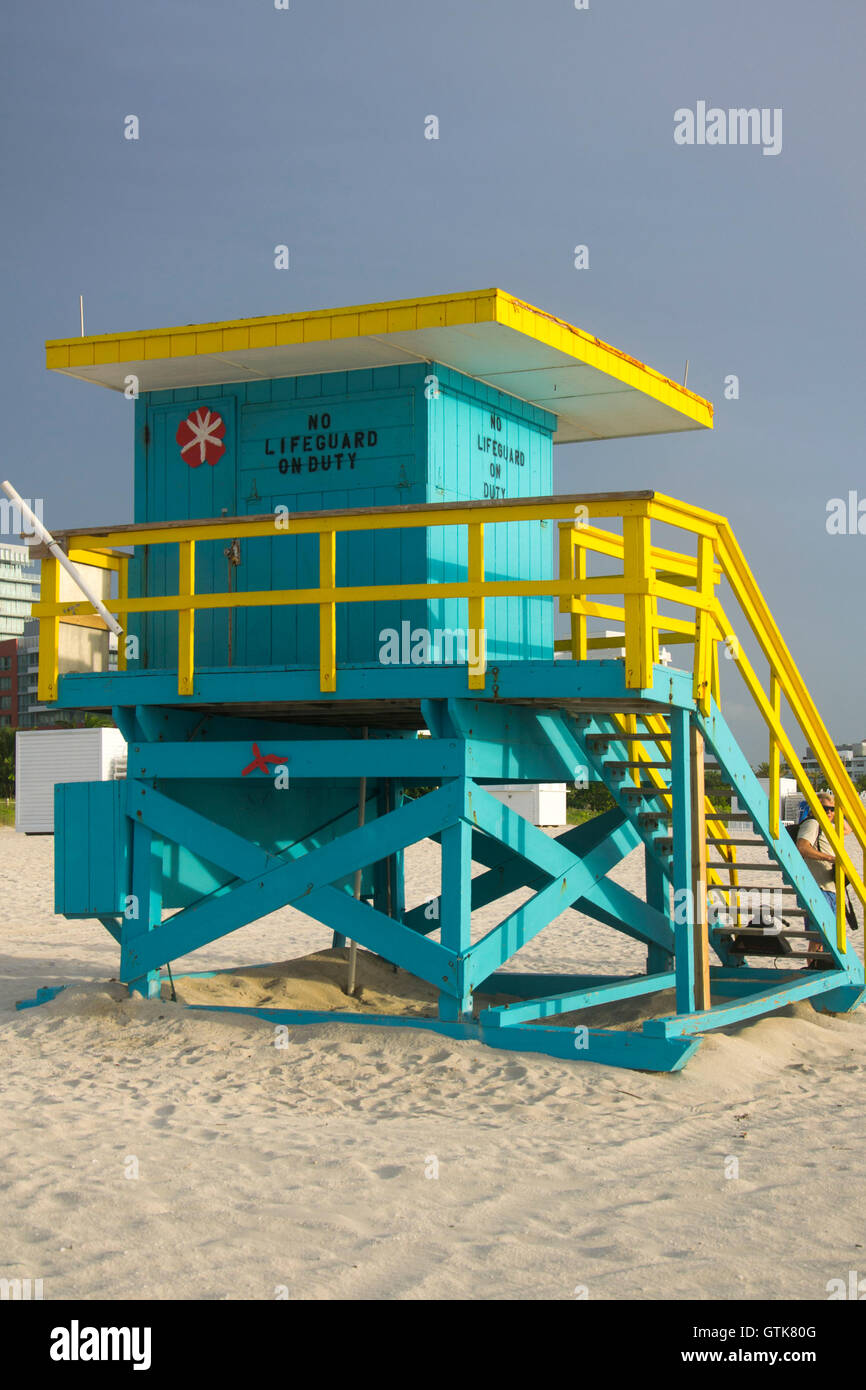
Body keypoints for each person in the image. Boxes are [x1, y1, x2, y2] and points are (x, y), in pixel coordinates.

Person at [796, 791, 843, 967]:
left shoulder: (826, 826)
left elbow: (848, 829)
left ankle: (817, 966)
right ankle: (812, 967)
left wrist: (836, 812)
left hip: (829, 888)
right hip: (818, 888)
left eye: (832, 809)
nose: (829, 812)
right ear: (815, 808)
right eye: (825, 808)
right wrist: (829, 858)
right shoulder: (813, 824)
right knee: (818, 937)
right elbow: (802, 847)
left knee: (825, 936)